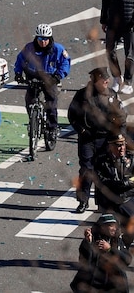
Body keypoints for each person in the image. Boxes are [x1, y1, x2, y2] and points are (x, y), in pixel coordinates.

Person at [70, 67, 127, 213]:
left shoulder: (112, 95)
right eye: (103, 80)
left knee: (104, 171)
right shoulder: (82, 95)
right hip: (87, 139)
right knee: (86, 170)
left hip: (105, 139)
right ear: (95, 81)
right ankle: (83, 201)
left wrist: (119, 132)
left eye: (107, 79)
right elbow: (72, 115)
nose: (106, 82)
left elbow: (121, 115)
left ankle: (103, 204)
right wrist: (81, 130)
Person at [14, 23, 71, 142]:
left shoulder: (58, 49)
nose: (43, 42)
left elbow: (65, 63)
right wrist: (18, 73)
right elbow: (20, 60)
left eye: (45, 39)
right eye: (40, 39)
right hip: (33, 75)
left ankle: (52, 128)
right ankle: (33, 120)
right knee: (30, 99)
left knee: (51, 101)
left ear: (50, 38)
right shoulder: (29, 48)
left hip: (50, 77)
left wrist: (58, 76)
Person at [71, 214, 131, 293]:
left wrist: (110, 249)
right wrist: (88, 243)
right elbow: (85, 261)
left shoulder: (116, 240)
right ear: (102, 227)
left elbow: (126, 260)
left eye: (115, 226)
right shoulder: (93, 239)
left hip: (114, 282)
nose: (114, 228)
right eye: (111, 226)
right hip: (94, 283)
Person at [100, 0, 134, 93]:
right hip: (113, 24)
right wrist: (103, 20)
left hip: (130, 25)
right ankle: (117, 78)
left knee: (130, 55)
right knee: (110, 51)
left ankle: (128, 81)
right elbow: (105, 2)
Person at [94, 134, 134, 242]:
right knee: (109, 230)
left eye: (123, 145)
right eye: (117, 145)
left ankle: (124, 247)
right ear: (110, 146)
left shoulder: (131, 160)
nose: (121, 148)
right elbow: (101, 181)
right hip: (109, 200)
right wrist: (119, 184)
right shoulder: (101, 161)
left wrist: (128, 184)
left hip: (127, 199)